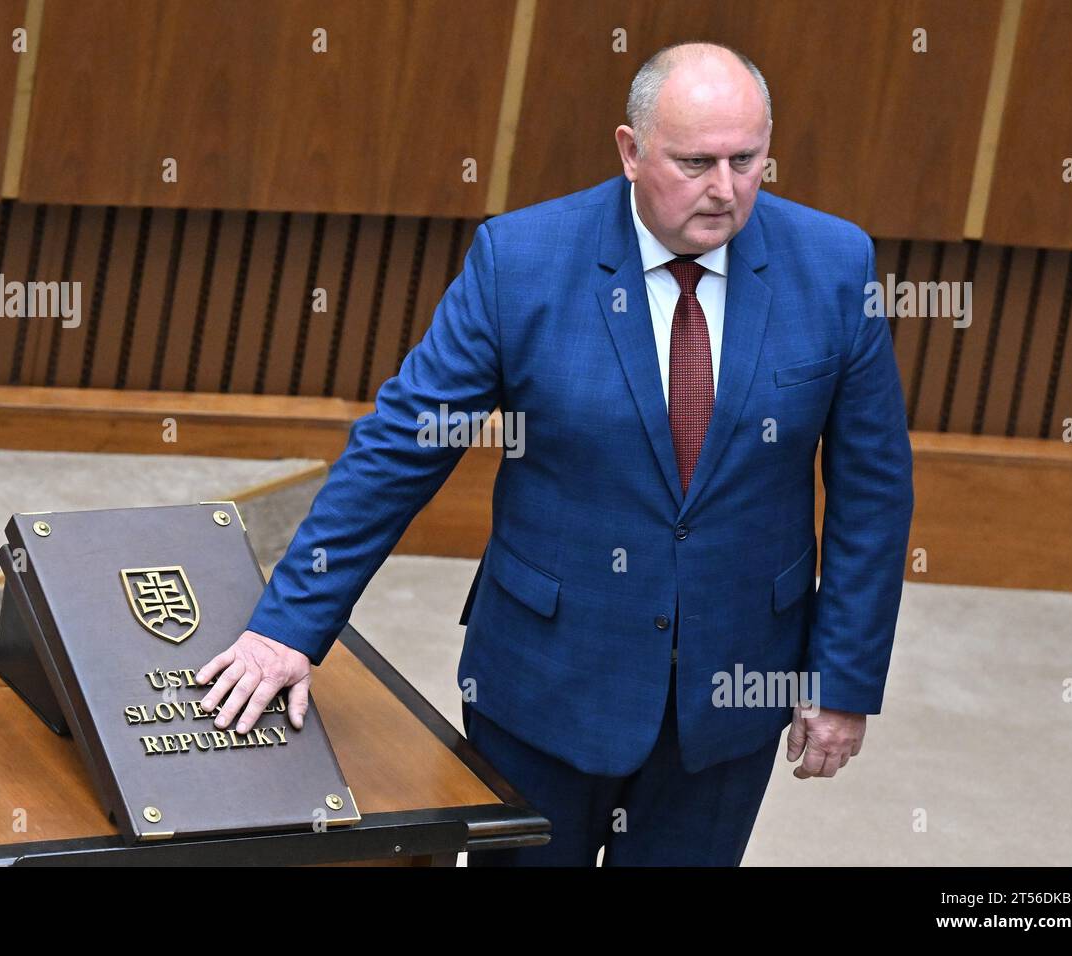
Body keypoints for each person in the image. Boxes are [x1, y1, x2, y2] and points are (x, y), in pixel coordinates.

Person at [195, 41, 914, 866]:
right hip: (545, 689)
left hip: (733, 698)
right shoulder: (522, 260)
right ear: (630, 150)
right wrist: (290, 626)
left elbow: (873, 490)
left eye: (746, 160)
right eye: (695, 162)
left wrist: (841, 678)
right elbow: (402, 447)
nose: (724, 190)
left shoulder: (833, 263)